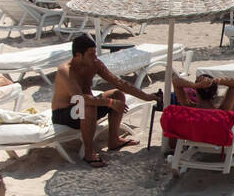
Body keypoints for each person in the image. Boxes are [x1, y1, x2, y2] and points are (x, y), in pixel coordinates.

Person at [50, 33, 158, 167]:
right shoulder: (66, 71)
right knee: (88, 105)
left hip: (86, 108)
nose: (95, 57)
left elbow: (119, 83)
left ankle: (113, 140)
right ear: (78, 55)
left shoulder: (94, 64)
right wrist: (110, 103)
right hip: (64, 114)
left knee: (117, 94)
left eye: (95, 53)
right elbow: (80, 99)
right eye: (91, 54)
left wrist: (147, 97)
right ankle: (88, 152)